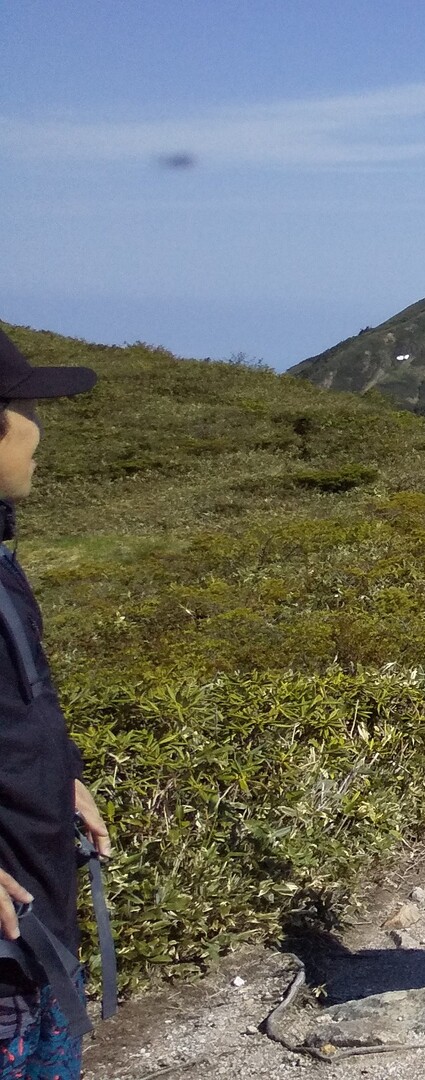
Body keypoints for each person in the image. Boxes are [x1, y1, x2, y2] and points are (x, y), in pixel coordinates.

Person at [0, 327, 112, 1080]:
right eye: (22, 408)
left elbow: (24, 699)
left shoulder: (3, 563)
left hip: (34, 903)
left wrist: (62, 774)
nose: (37, 431)